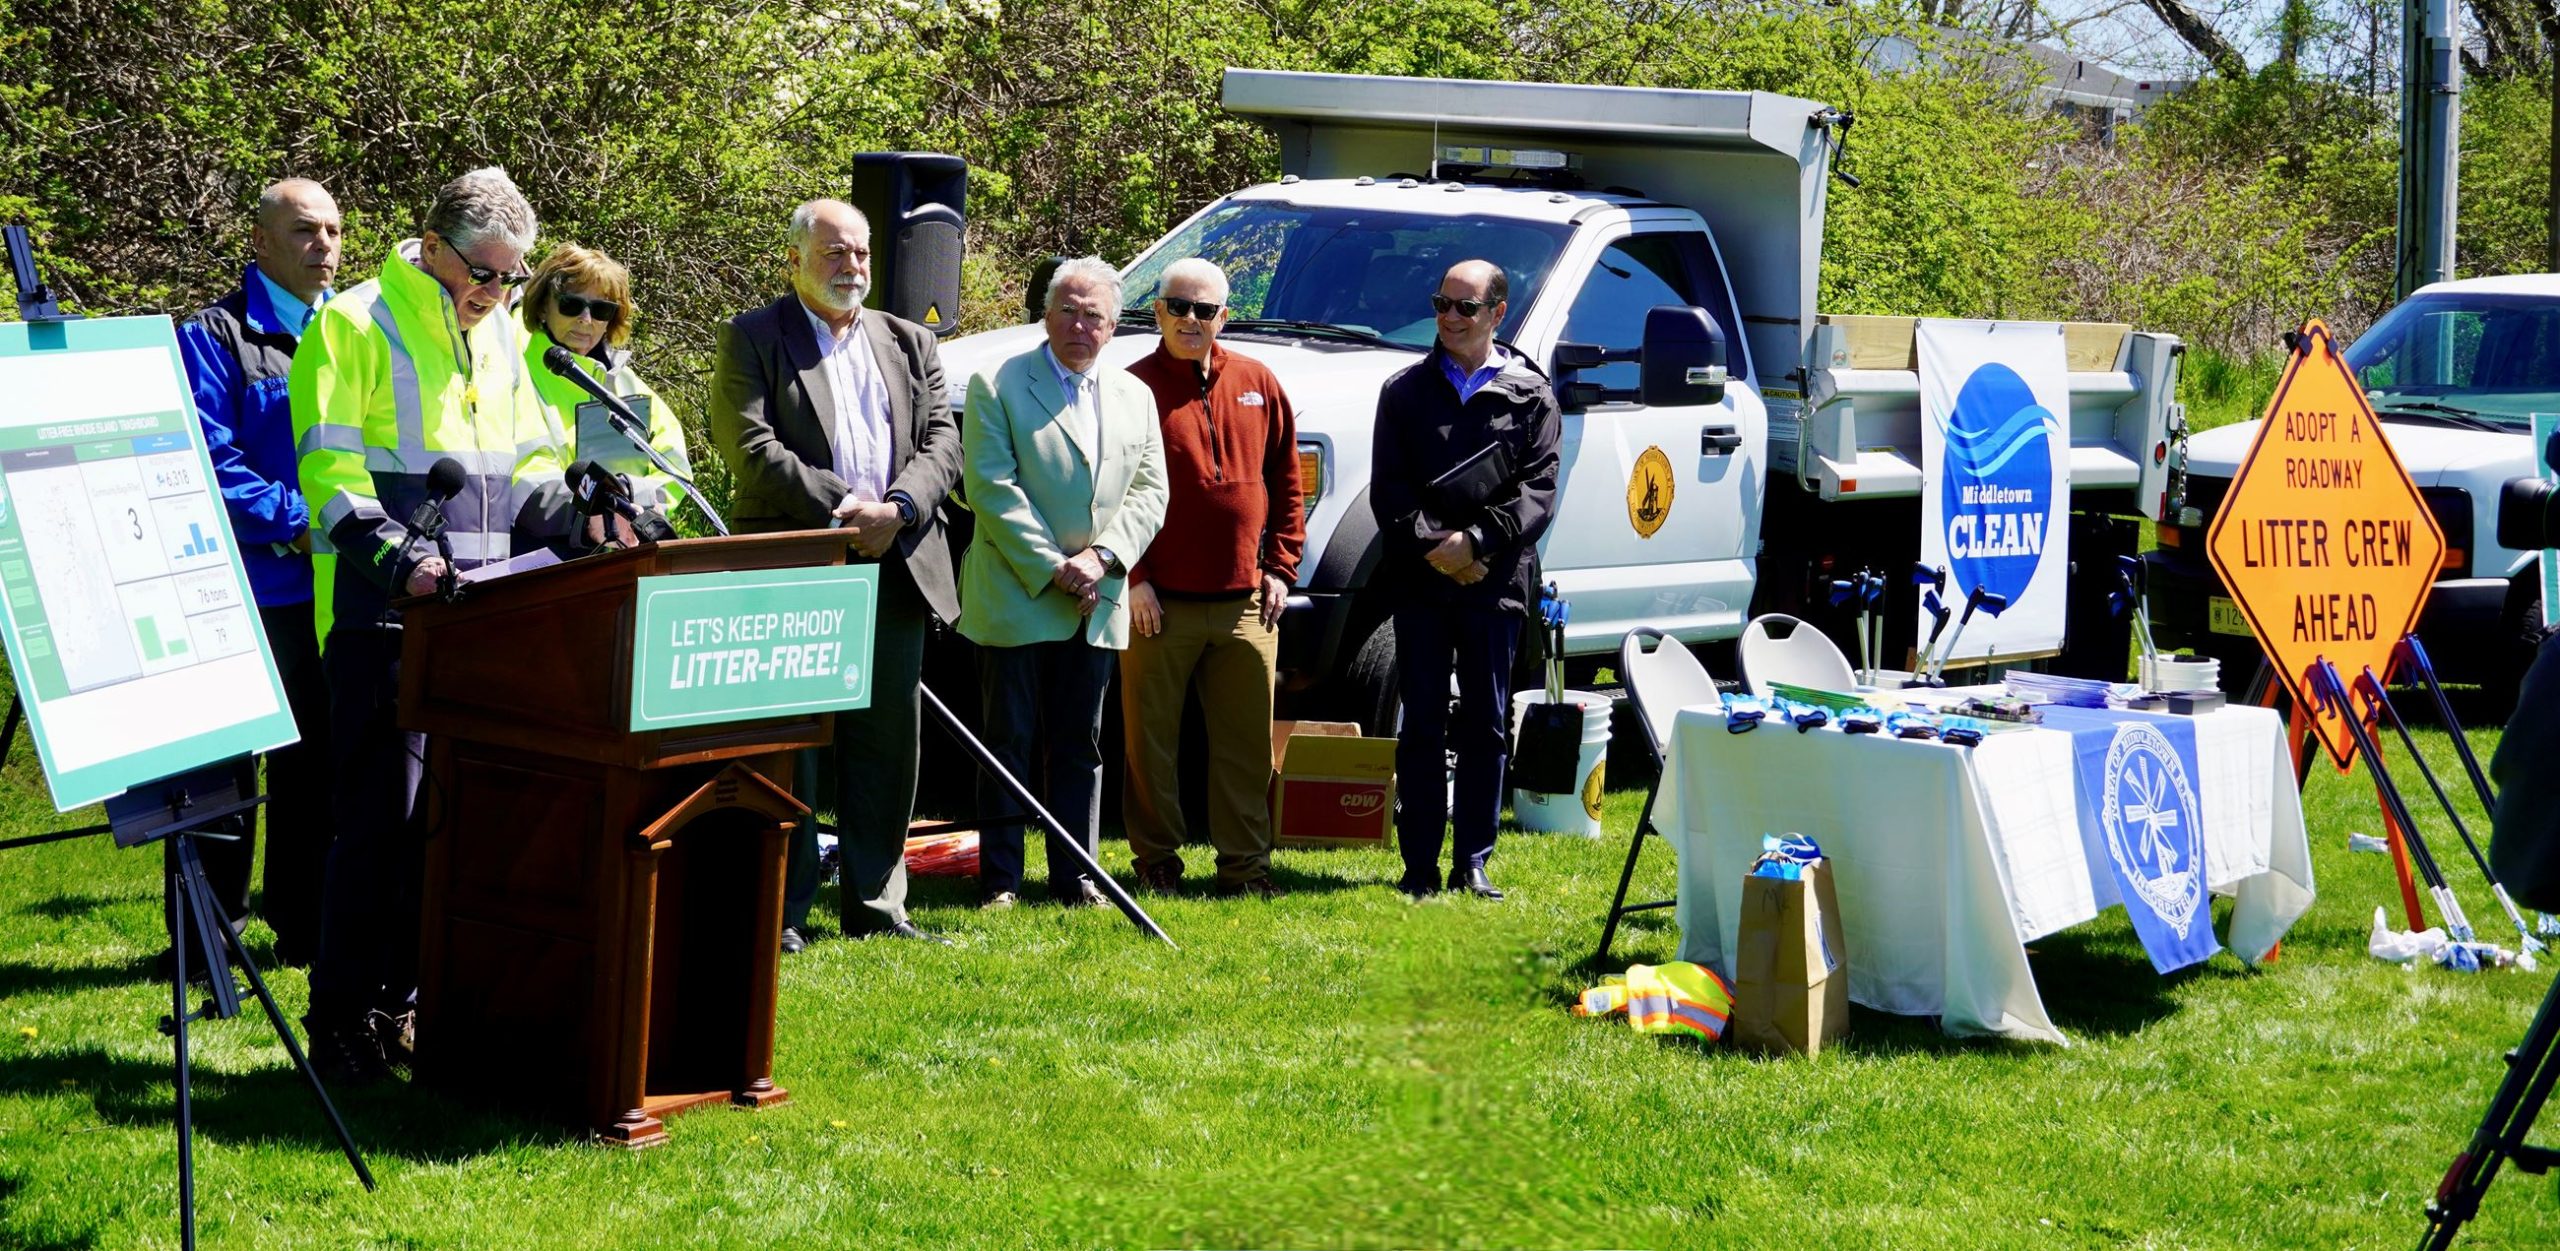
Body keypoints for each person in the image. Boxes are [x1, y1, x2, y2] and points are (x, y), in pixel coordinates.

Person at [290, 166, 575, 1080]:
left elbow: (531, 463)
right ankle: (340, 1018)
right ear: (432, 247)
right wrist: (401, 562)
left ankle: (410, 1006)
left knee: (452, 832)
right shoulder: (353, 323)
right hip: (382, 620)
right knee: (380, 825)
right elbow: (328, 473)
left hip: (488, 619)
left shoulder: (503, 337)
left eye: (512, 276)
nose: (496, 292)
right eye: (482, 273)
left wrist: (582, 518)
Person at [708, 199, 963, 950]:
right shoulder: (754, 335)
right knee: (795, 747)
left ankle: (877, 907)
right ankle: (781, 910)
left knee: (886, 746)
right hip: (799, 564)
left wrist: (899, 508)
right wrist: (846, 508)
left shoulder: (910, 339)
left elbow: (943, 442)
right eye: (834, 252)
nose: (852, 266)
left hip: (897, 563)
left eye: (860, 253)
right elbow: (747, 443)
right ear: (794, 260)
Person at [958, 256, 1168, 908]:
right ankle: (1002, 880)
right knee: (1007, 741)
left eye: (1093, 315)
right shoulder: (997, 384)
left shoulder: (1135, 395)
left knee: (1080, 744)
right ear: (1046, 316)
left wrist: (1101, 559)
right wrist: (1056, 568)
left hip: (1095, 599)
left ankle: (1076, 874)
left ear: (1112, 326)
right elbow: (991, 489)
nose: (1080, 325)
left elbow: (1151, 492)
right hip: (1018, 592)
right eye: (1068, 311)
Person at [173, 177, 341, 968]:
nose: (324, 245)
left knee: (316, 763)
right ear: (260, 241)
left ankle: (303, 927)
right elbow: (207, 459)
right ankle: (209, 941)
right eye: (305, 230)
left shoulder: (348, 330)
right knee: (225, 773)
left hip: (330, 591)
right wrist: (300, 522)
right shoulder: (213, 335)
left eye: (333, 230)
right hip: (246, 590)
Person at [1368, 259, 1560, 901]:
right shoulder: (1404, 391)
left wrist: (1476, 543)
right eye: (1441, 304)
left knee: (1486, 724)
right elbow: (1390, 490)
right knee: (1422, 721)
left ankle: (1473, 860)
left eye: (1465, 307)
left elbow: (1538, 491)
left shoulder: (1531, 395)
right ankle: (1419, 863)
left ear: (1497, 313)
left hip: (1495, 582)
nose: (1449, 317)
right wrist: (1438, 547)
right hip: (1422, 581)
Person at [1119, 258, 1302, 899]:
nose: (1189, 319)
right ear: (1158, 311)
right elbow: (1108, 492)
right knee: (1150, 747)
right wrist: (1133, 577)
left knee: (1247, 747)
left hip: (1248, 602)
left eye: (1204, 309)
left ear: (1224, 316)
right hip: (1156, 602)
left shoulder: (1258, 380)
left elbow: (1287, 481)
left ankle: (1245, 868)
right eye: (1177, 306)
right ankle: (1156, 862)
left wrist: (1281, 568)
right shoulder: (1130, 387)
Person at [520, 243, 694, 522]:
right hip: (547, 540)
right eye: (571, 305)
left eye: (601, 310)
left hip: (628, 536)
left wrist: (631, 499)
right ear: (542, 307)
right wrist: (591, 515)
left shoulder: (627, 384)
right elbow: (525, 473)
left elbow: (674, 468)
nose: (586, 319)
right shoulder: (515, 374)